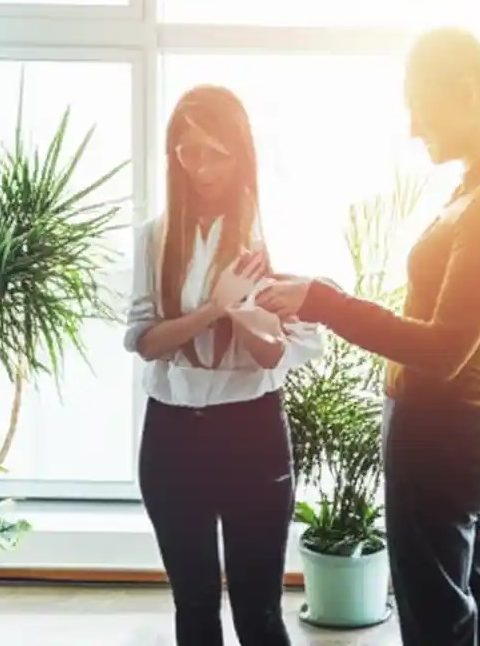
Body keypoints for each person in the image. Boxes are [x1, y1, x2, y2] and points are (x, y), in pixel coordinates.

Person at [257, 27, 480, 646]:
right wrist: (323, 294)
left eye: (419, 106)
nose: (412, 127)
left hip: (442, 435)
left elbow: (443, 350)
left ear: (465, 93)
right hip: (465, 431)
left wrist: (325, 302)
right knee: (477, 605)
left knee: (438, 622)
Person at [123, 85, 322, 646]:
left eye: (216, 153)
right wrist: (214, 308)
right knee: (193, 608)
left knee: (259, 614)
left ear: (242, 153)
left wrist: (242, 313)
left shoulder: (273, 234)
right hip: (171, 435)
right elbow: (144, 341)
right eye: (188, 152)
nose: (201, 168)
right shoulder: (154, 238)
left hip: (251, 431)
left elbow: (278, 352)